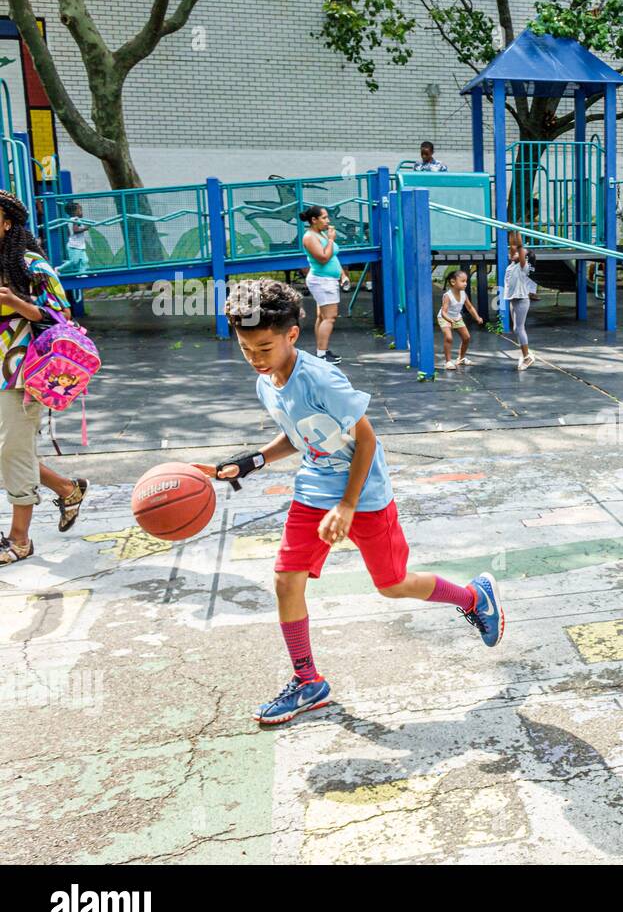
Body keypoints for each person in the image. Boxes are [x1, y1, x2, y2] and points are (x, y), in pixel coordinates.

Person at [197, 279, 505, 724]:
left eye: (264, 348)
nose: (255, 359)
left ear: (291, 336)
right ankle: (308, 681)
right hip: (313, 490)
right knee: (286, 579)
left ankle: (474, 597)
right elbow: (304, 434)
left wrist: (347, 505)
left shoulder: (320, 378)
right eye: (246, 349)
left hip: (365, 495)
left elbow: (365, 438)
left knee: (392, 584)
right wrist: (254, 461)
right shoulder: (267, 383)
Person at [0, 189, 89, 566]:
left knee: (11, 451)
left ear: (6, 223)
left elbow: (62, 316)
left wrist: (17, 304)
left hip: (21, 374)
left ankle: (19, 540)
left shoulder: (30, 264)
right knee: (10, 453)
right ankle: (67, 489)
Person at [299, 206, 345, 365]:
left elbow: (333, 258)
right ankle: (321, 355)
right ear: (314, 220)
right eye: (324, 218)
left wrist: (342, 274)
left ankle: (322, 351)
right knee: (330, 317)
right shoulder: (310, 237)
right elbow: (323, 258)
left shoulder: (320, 233)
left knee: (322, 316)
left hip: (327, 279)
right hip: (322, 281)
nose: (328, 221)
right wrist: (331, 239)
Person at [438, 269, 484, 370]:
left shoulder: (463, 294)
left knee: (466, 337)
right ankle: (448, 362)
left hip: (456, 317)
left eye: (466, 281)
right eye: (462, 281)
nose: (465, 283)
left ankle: (461, 358)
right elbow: (443, 312)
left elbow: (470, 307)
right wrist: (449, 320)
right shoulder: (447, 296)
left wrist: (477, 317)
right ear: (453, 282)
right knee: (449, 337)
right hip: (445, 317)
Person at [504, 232, 537, 370]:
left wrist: (517, 234)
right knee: (515, 329)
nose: (514, 253)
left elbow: (519, 247)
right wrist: (512, 231)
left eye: (519, 253)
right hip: (514, 300)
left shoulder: (523, 267)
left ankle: (527, 357)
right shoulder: (512, 264)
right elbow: (513, 246)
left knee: (519, 328)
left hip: (522, 300)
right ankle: (526, 354)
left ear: (525, 258)